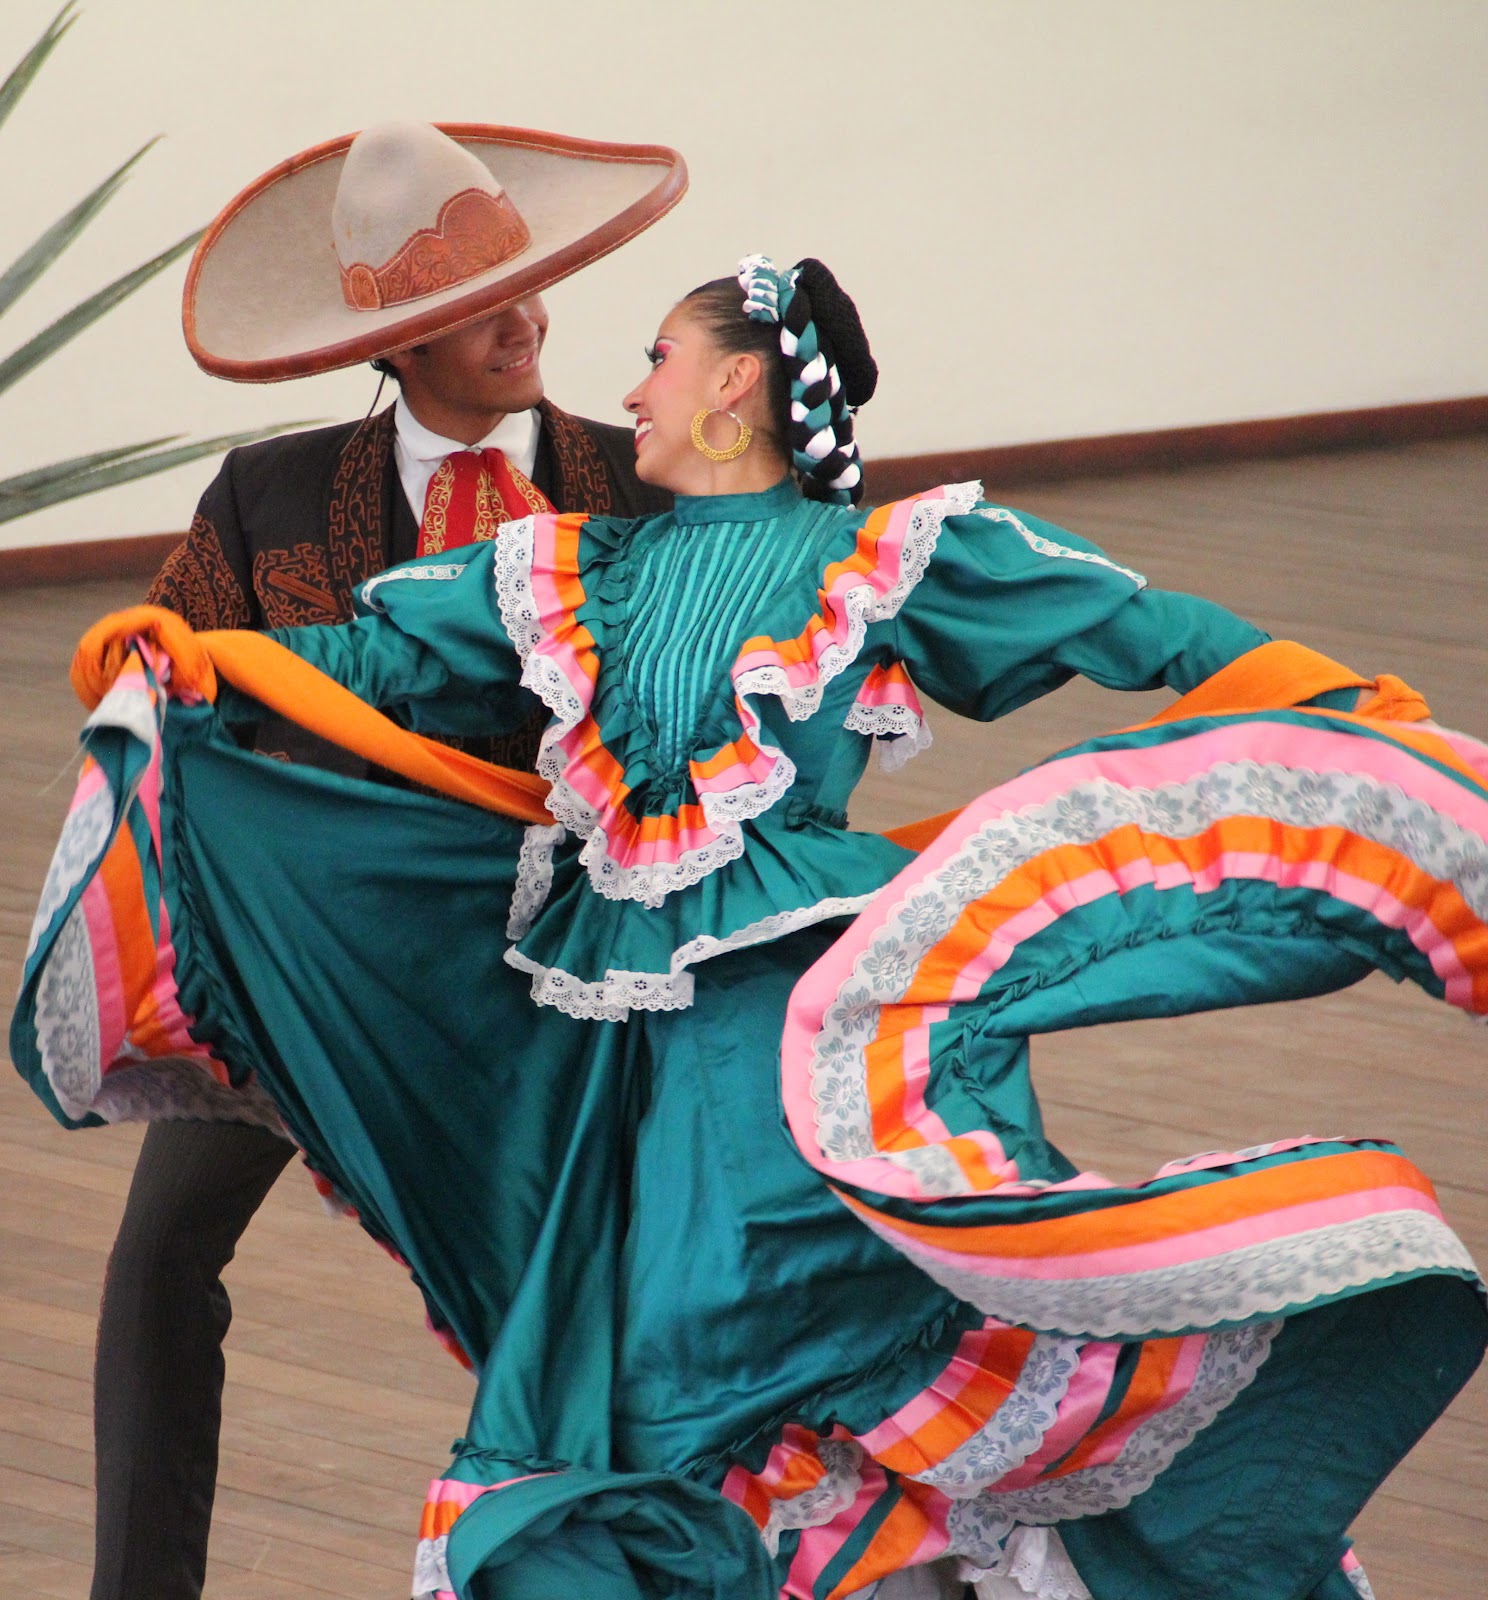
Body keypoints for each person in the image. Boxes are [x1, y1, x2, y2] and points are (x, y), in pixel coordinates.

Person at [19, 254, 1485, 1600]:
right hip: (614, 1059)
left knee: (720, 1355)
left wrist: (1342, 703)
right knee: (649, 1375)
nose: (631, 389)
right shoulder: (583, 566)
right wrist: (194, 659)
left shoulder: (882, 557)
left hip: (791, 1021)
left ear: (735, 382)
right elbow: (374, 651)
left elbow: (1136, 630)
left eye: (659, 358)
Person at [89, 118, 682, 1600]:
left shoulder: (637, 486)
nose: (526, 317)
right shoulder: (265, 499)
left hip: (565, 978)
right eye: (485, 302)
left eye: (532, 282)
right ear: (398, 340)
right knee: (159, 1261)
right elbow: (171, 706)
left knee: (619, 1294)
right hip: (316, 968)